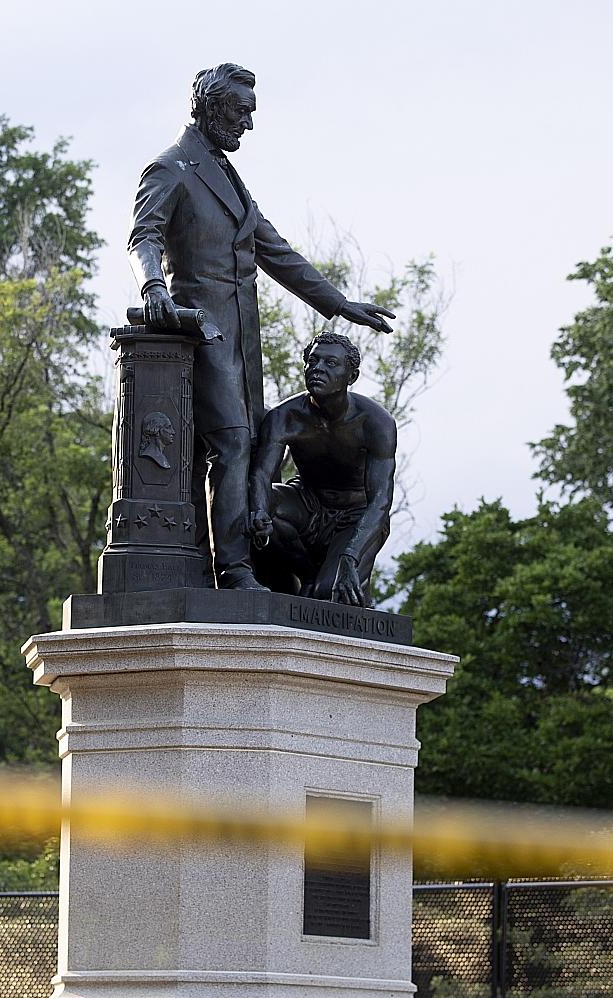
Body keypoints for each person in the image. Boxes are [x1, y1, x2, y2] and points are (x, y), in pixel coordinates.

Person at [127, 62, 395, 592]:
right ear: (207, 105)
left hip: (243, 345)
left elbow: (276, 252)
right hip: (202, 336)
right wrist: (154, 289)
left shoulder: (227, 176)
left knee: (240, 451)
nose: (248, 124)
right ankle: (234, 570)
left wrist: (338, 304)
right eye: (240, 111)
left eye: (250, 112)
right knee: (231, 446)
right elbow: (144, 237)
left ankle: (231, 564)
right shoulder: (172, 168)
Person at [249, 332, 396, 606]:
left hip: (354, 515)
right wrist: (258, 512)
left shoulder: (376, 423)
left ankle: (327, 579)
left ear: (351, 376)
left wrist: (352, 556)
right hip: (307, 505)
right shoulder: (285, 417)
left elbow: (380, 501)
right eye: (313, 361)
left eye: (331, 363)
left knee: (328, 597)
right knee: (260, 501)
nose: (318, 369)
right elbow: (260, 476)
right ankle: (306, 576)